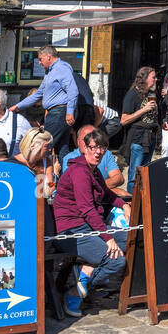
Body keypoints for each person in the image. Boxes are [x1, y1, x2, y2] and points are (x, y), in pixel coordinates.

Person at [52, 128, 127, 317]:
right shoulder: (79, 171)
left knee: (131, 238)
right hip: (71, 231)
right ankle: (75, 290)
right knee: (116, 260)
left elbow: (107, 193)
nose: (98, 152)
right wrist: (108, 238)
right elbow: (87, 210)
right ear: (84, 148)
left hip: (89, 227)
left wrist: (124, 205)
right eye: (93, 147)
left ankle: (86, 271)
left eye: (102, 148)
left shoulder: (93, 171)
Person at [11, 45, 87, 157]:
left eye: (40, 59)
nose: (39, 63)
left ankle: (40, 173)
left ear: (49, 57)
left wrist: (70, 112)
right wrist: (17, 106)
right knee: (61, 148)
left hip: (60, 112)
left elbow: (73, 90)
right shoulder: (50, 73)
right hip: (57, 112)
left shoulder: (61, 68)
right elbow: (38, 94)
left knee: (43, 145)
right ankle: (65, 173)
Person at [17, 127, 59, 198]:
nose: (50, 149)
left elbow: (50, 188)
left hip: (40, 206)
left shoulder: (46, 161)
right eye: (46, 146)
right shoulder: (15, 163)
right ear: (34, 146)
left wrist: (55, 175)